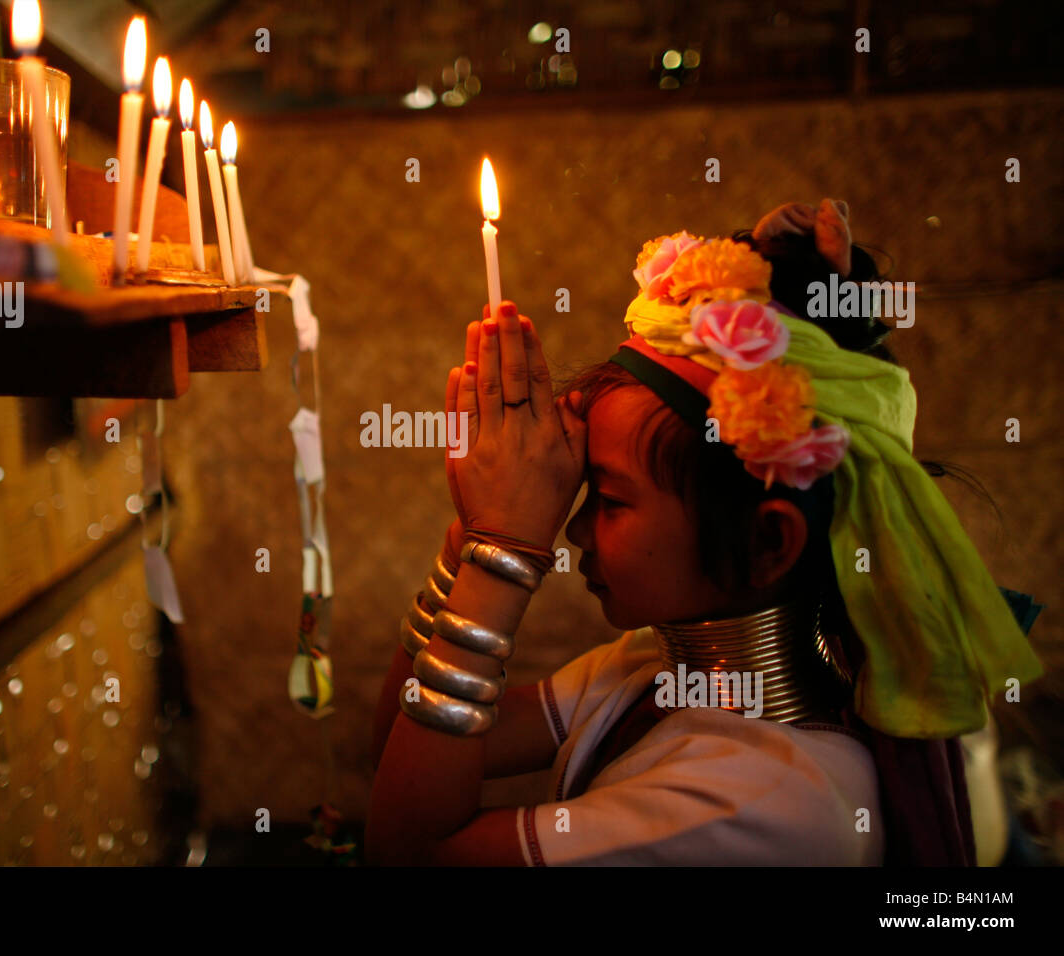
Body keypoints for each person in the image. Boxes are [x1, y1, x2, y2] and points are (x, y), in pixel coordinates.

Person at [366, 200, 1043, 866]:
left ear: (769, 544)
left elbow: (409, 849)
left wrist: (504, 553)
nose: (572, 529)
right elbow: (396, 751)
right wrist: (476, 530)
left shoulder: (766, 802)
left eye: (609, 497)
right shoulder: (651, 670)